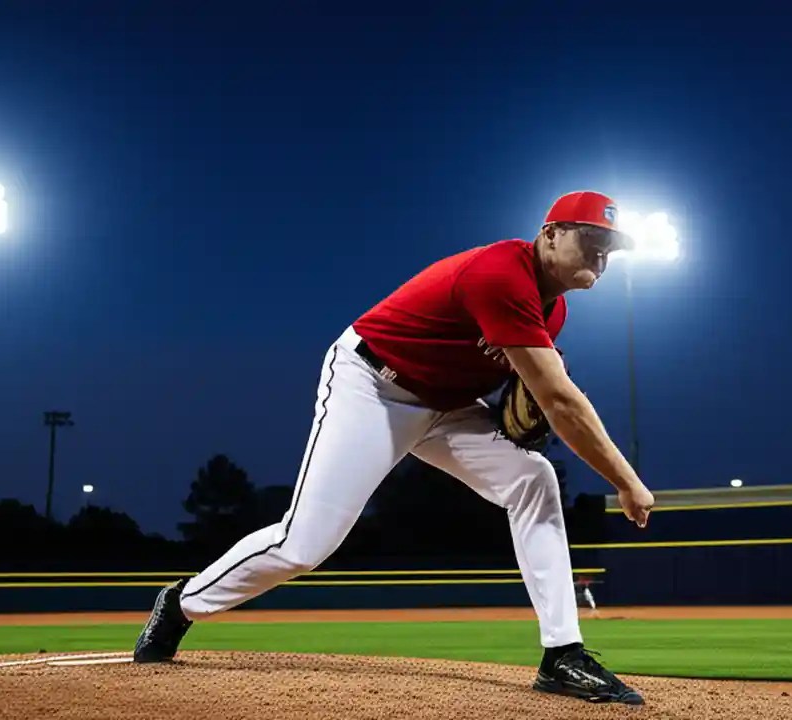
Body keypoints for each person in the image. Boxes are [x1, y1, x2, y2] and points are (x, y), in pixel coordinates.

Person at [133, 190, 656, 705]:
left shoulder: (554, 311)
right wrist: (627, 482)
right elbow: (560, 401)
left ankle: (561, 654)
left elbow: (530, 393)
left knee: (534, 480)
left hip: (447, 406)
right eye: (591, 239)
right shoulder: (501, 273)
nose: (602, 255)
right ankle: (181, 603)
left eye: (610, 247)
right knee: (305, 543)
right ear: (550, 234)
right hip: (372, 385)